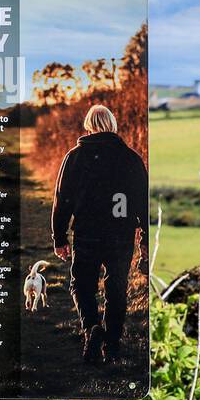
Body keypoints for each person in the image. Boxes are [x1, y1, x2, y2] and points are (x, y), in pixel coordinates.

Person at [51, 104, 148, 363]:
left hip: (87, 233)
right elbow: (142, 202)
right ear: (113, 125)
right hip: (121, 235)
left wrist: (59, 237)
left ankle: (92, 328)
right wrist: (146, 240)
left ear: (88, 125)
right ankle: (112, 345)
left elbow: (63, 200)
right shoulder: (130, 158)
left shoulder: (74, 157)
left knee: (81, 285)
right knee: (116, 288)